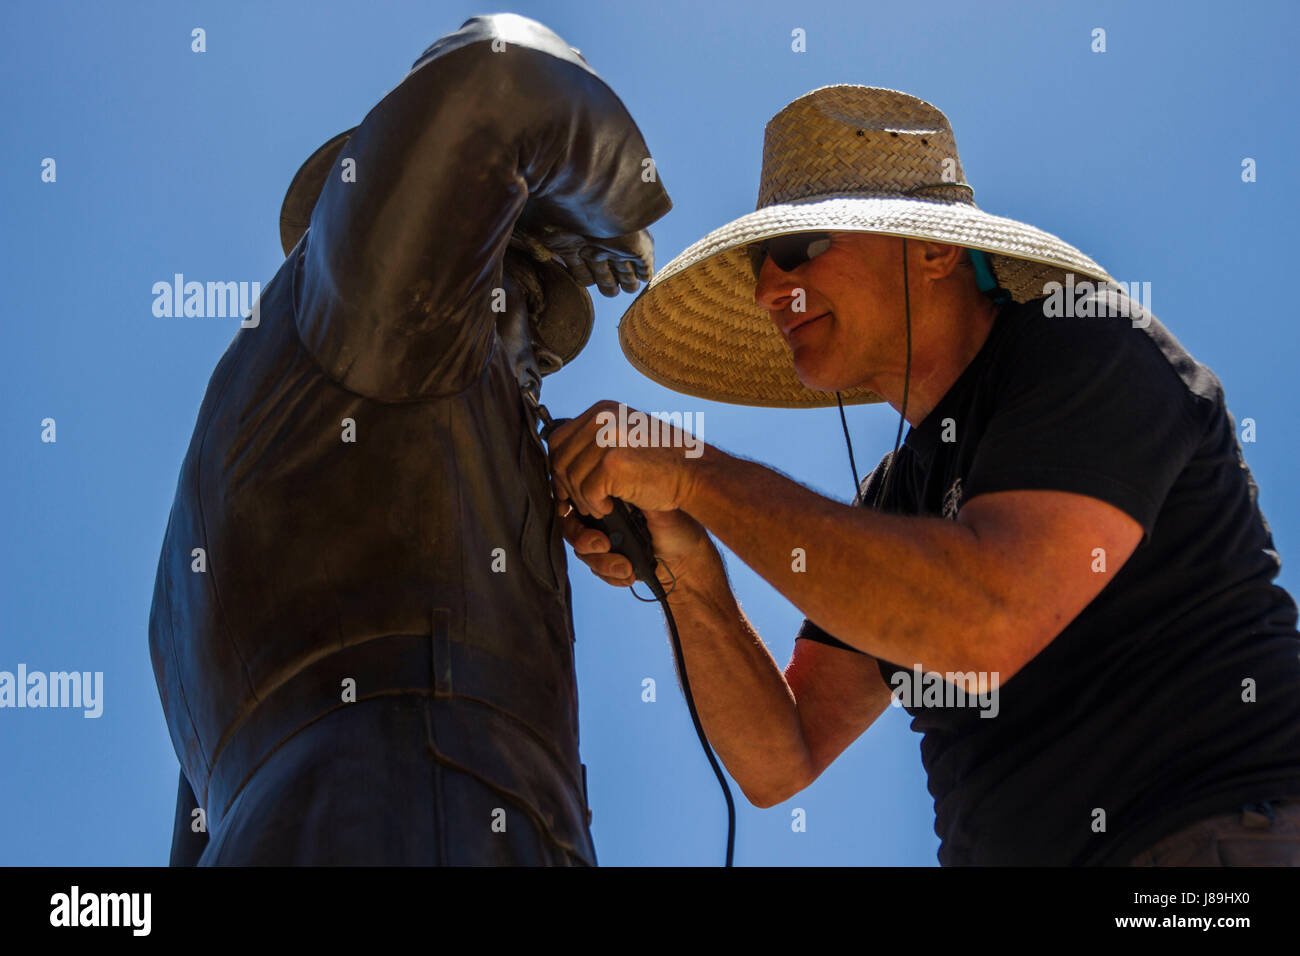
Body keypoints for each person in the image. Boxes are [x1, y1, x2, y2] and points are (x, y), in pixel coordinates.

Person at [547, 85, 1300, 865]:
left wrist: (695, 474)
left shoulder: (1087, 346)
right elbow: (780, 760)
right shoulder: (898, 496)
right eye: (758, 266)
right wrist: (685, 563)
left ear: (936, 248)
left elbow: (982, 625)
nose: (771, 289)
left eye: (799, 247)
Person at [148, 13, 670, 865]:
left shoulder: (210, 523)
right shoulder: (367, 317)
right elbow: (496, 78)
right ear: (463, 259)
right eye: (528, 318)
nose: (530, 371)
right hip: (440, 807)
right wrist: (616, 209)